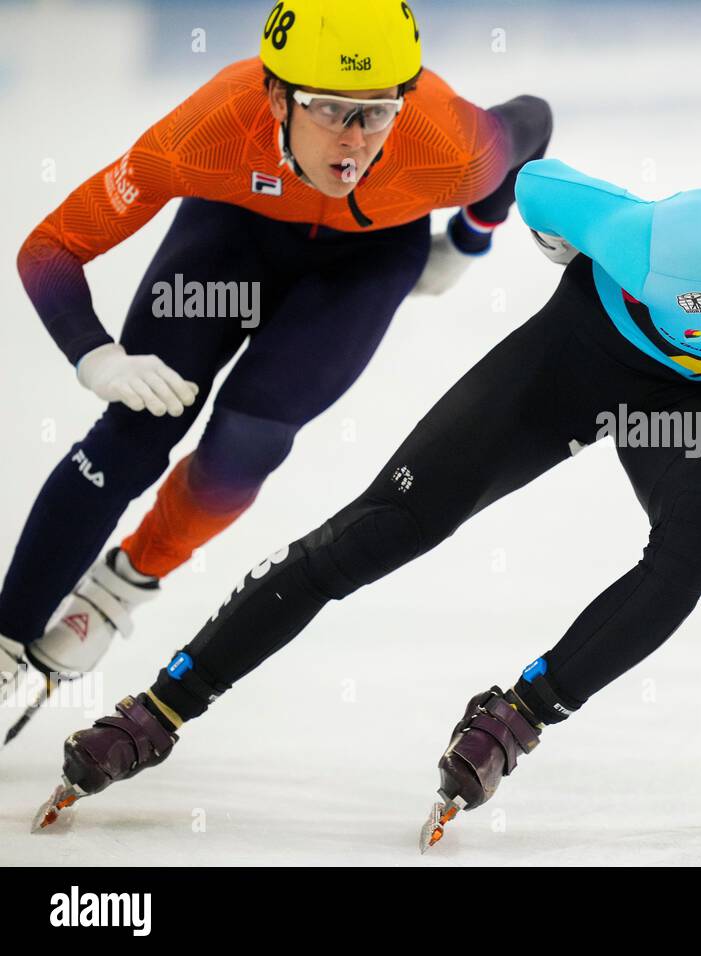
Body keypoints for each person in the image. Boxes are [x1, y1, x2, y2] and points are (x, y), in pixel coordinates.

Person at [36, 118, 701, 842]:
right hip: (590, 351)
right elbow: (544, 188)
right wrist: (549, 247)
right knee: (385, 529)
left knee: (700, 543)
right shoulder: (681, 247)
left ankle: (520, 714)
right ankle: (160, 707)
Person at [0, 0, 552, 705]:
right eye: (328, 110)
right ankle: (6, 638)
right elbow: (50, 248)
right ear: (275, 96)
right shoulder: (208, 129)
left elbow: (533, 119)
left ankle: (121, 586)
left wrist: (471, 239)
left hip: (366, 264)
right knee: (133, 434)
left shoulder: (451, 143)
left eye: (377, 112)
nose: (354, 142)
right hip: (234, 234)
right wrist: (94, 353)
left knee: (248, 440)